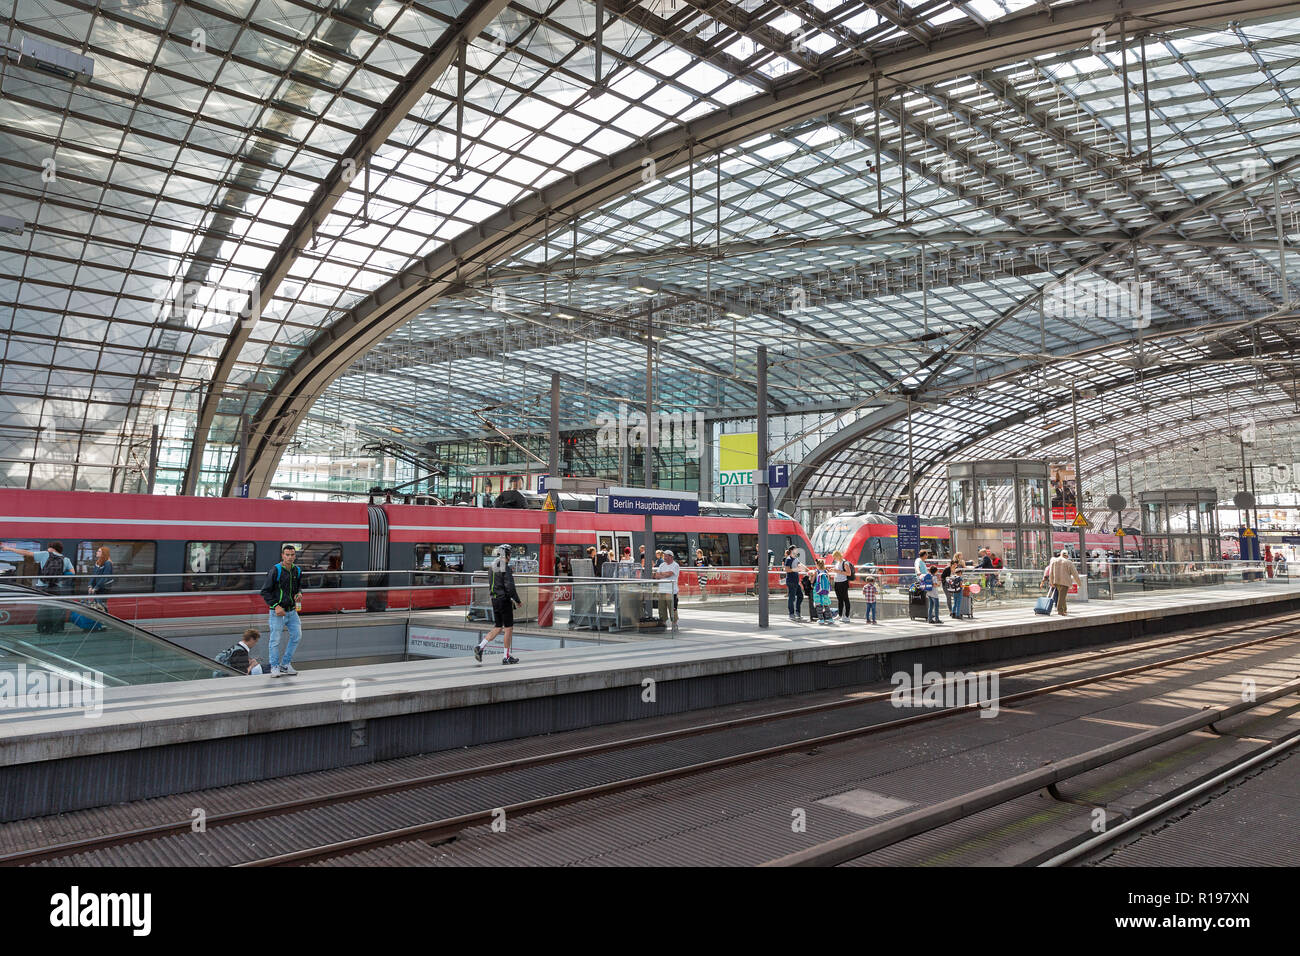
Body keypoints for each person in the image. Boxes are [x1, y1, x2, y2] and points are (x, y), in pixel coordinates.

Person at [5, 541, 74, 633]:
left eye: (48, 547)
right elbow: (72, 573)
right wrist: (60, 574)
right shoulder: (66, 559)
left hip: (43, 586)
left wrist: (9, 548)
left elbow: (27, 553)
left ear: (52, 548)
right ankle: (55, 629)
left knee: (42, 608)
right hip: (56, 587)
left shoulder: (45, 554)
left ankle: (42, 629)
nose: (47, 549)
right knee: (56, 607)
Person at [260, 544, 304, 677]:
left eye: (292, 555)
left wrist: (299, 593)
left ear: (295, 556)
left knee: (297, 636)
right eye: (287, 555)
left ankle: (285, 664)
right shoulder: (276, 570)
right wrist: (276, 606)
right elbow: (265, 591)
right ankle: (274, 666)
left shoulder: (297, 570)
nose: (290, 557)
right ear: (282, 556)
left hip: (292, 611)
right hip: (277, 612)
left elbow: (298, 587)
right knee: (275, 640)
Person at [476, 545, 522, 664]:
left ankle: (480, 647)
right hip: (503, 600)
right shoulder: (505, 567)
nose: (510, 556)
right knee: (508, 628)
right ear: (507, 555)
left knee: (498, 627)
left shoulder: (492, 566)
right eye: (510, 554)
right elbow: (510, 587)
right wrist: (517, 600)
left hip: (494, 600)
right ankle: (506, 657)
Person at [1041, 548, 1082, 616]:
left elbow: (1051, 572)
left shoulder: (1054, 561)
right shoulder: (1068, 562)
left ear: (1060, 554)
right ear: (1066, 556)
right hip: (1065, 582)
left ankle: (1064, 609)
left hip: (1056, 581)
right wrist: (1079, 583)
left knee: (1062, 596)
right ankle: (1060, 610)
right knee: (1062, 597)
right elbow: (1075, 574)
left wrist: (1051, 581)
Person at [654, 549, 681, 631]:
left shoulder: (675, 565)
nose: (664, 557)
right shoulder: (662, 565)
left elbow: (670, 574)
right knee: (661, 608)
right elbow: (656, 576)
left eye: (666, 556)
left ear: (671, 557)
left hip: (671, 591)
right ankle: (663, 623)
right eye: (664, 556)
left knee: (672, 608)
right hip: (662, 590)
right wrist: (664, 574)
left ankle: (674, 623)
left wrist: (662, 574)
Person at [87, 545, 115, 610]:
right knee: (98, 606)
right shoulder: (98, 562)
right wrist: (90, 585)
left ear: (103, 553)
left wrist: (96, 588)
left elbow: (105, 577)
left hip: (104, 588)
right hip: (97, 587)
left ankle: (105, 618)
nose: (97, 552)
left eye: (99, 551)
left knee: (102, 606)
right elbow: (94, 575)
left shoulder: (108, 563)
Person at [783, 546, 806, 621]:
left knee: (800, 596)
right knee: (792, 598)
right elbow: (786, 569)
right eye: (795, 550)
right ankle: (791, 614)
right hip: (791, 581)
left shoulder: (795, 558)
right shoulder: (789, 559)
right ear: (791, 550)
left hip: (796, 581)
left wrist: (808, 570)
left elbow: (800, 565)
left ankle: (797, 612)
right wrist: (796, 569)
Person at [830, 549, 853, 621]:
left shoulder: (845, 563)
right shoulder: (837, 563)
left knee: (845, 599)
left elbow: (849, 573)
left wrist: (837, 571)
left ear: (838, 556)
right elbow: (837, 571)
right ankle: (840, 615)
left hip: (843, 582)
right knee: (839, 599)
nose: (834, 558)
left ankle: (847, 616)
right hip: (837, 582)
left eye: (835, 557)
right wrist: (833, 570)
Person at [812, 559, 833, 625]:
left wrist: (810, 577)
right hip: (825, 590)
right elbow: (829, 581)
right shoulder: (826, 571)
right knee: (826, 604)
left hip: (817, 589)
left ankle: (821, 619)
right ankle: (830, 619)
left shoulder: (816, 571)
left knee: (819, 604)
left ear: (817, 565)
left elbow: (812, 581)